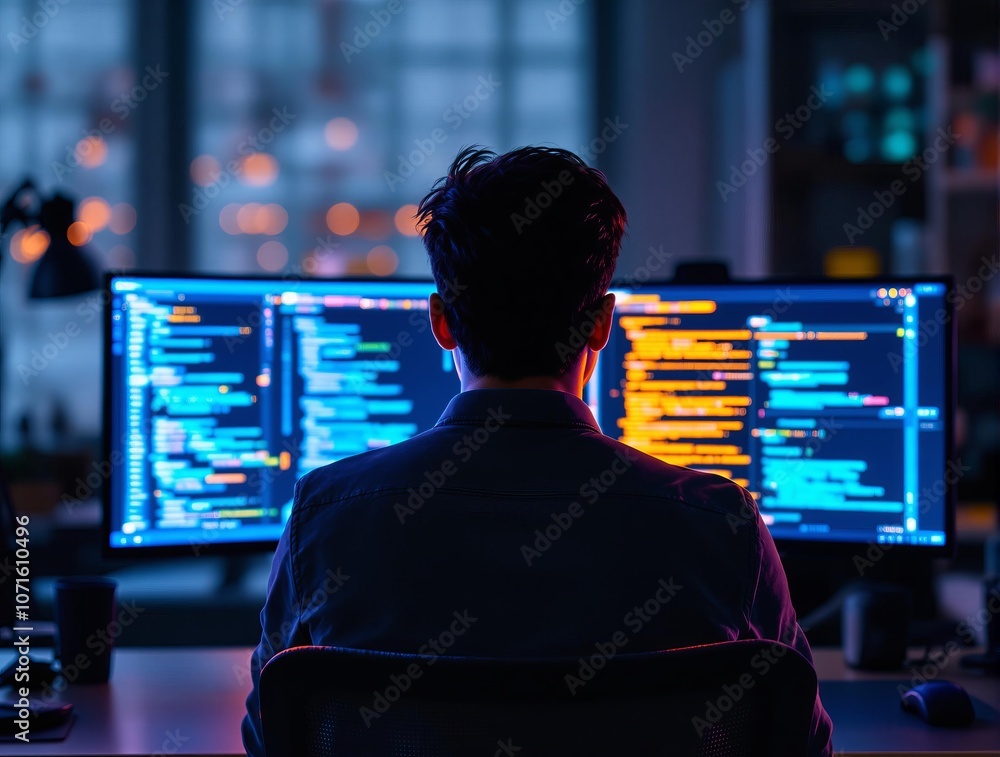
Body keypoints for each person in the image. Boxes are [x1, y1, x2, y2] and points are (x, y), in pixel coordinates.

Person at [241, 146, 833, 755]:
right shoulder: (721, 523)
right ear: (602, 324)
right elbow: (802, 746)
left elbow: (270, 737)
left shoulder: (328, 516)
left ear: (441, 322)